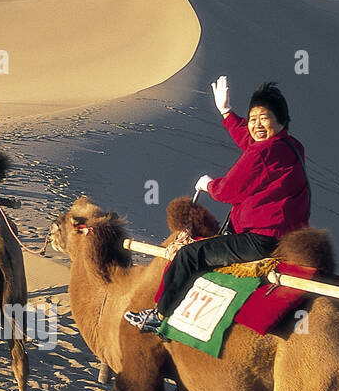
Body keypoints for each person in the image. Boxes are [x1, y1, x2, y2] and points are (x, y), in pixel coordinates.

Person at [125, 79, 310, 335]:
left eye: (264, 118)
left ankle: (159, 315)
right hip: (284, 236)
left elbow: (228, 191)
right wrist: (227, 113)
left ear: (280, 121)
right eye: (252, 118)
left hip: (261, 240)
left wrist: (210, 185)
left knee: (189, 255)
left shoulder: (263, 154)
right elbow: (251, 140)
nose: (256, 124)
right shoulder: (290, 145)